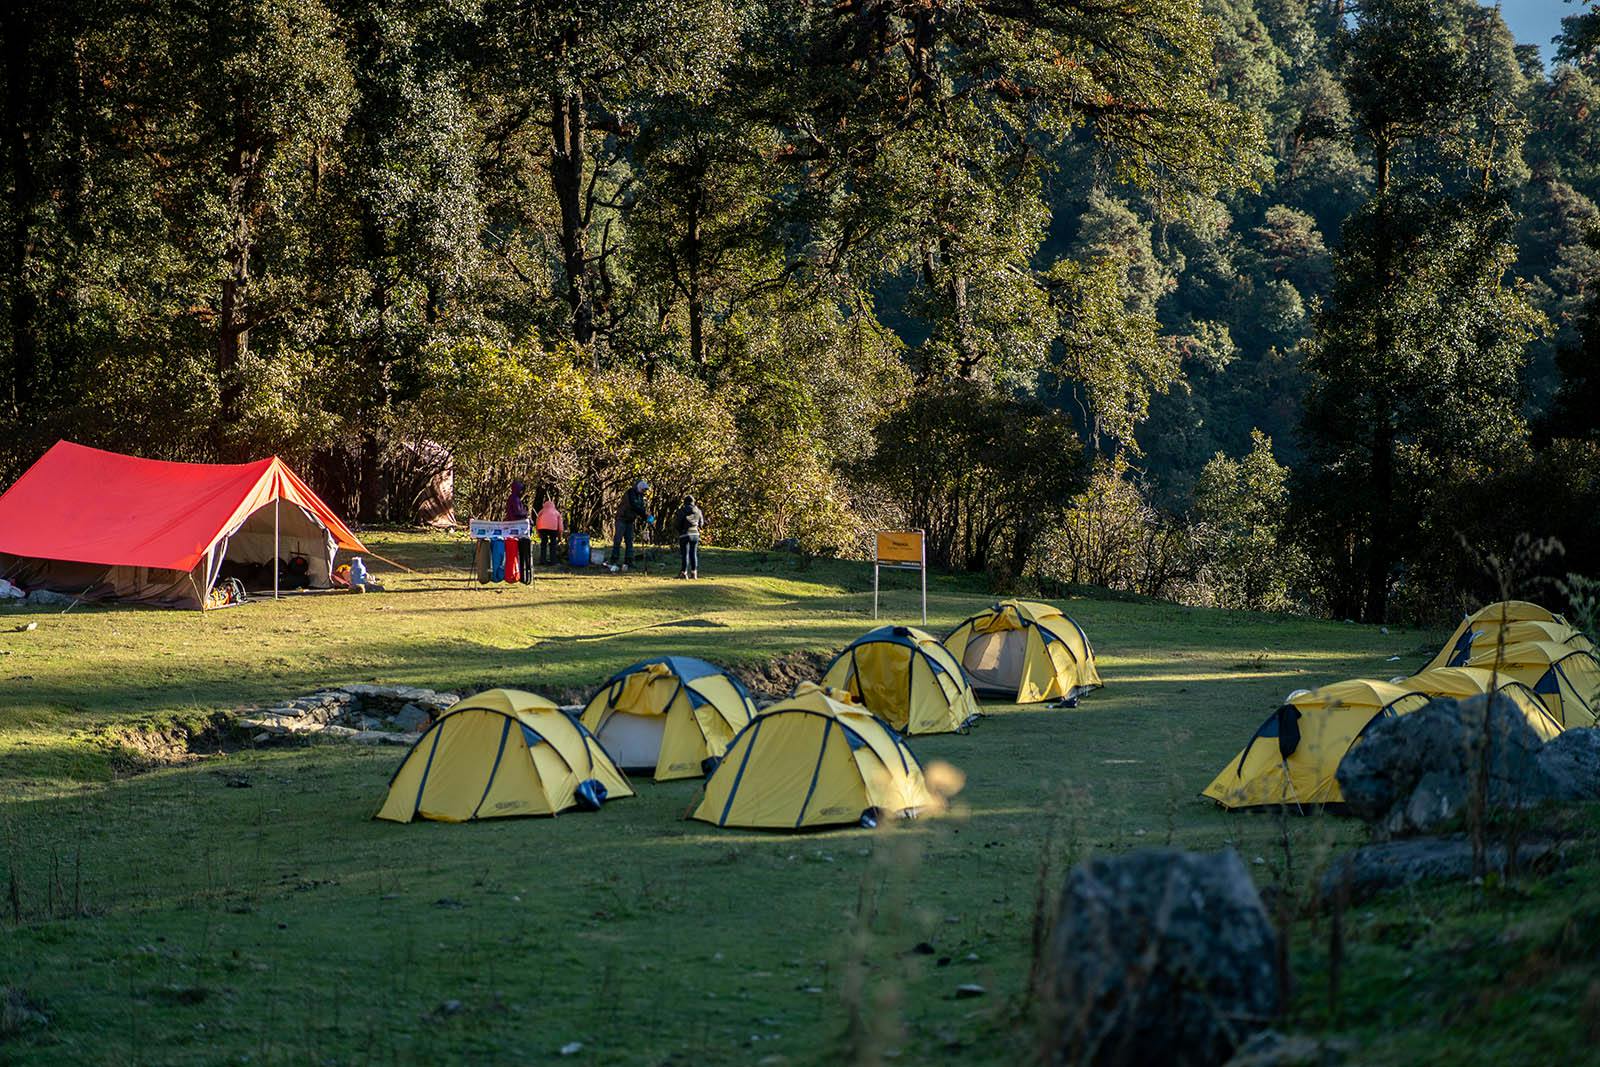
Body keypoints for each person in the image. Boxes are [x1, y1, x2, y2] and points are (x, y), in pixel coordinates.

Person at [608, 479, 654, 570]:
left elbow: (641, 508)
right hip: (622, 519)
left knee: (629, 541)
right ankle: (614, 560)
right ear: (639, 488)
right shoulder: (630, 493)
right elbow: (634, 506)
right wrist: (645, 514)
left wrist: (646, 517)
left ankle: (629, 561)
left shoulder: (640, 496)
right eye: (643, 490)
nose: (644, 492)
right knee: (618, 540)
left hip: (630, 520)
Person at [675, 494, 704, 579]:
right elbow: (701, 524)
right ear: (693, 502)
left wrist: (680, 530)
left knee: (685, 554)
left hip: (685, 533)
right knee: (693, 554)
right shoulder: (698, 511)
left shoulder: (682, 510)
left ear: (685, 502)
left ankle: (684, 573)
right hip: (695, 534)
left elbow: (678, 523)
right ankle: (694, 573)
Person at [535, 491, 565, 566]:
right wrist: (560, 535)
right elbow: (560, 526)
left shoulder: (541, 512)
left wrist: (538, 532)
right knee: (553, 545)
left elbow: (537, 522)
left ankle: (543, 560)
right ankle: (553, 561)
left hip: (542, 528)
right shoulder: (556, 512)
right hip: (553, 529)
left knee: (543, 544)